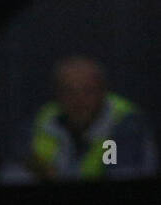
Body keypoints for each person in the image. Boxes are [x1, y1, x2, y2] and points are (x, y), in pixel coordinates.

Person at [27, 56, 157, 181]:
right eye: (68, 91)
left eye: (88, 91)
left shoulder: (123, 124)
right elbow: (21, 162)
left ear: (103, 92)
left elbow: (119, 178)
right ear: (56, 94)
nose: (79, 100)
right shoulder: (46, 118)